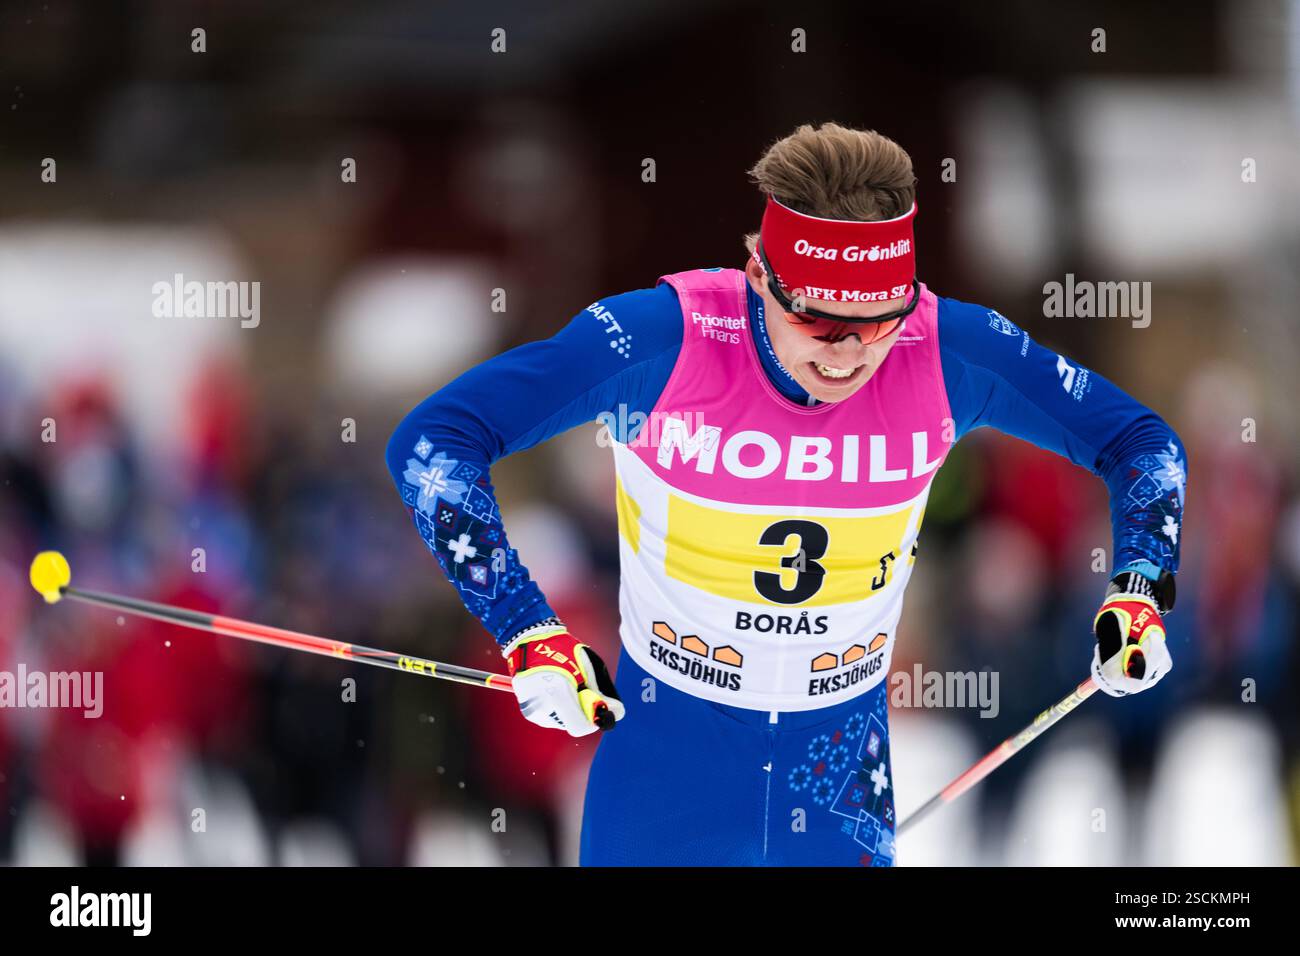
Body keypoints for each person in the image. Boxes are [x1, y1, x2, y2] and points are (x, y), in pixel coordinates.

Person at [385, 123, 1186, 866]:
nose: (847, 354)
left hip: (838, 775)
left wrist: (1139, 589)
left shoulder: (948, 352)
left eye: (876, 321)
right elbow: (432, 446)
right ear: (759, 274)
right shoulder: (668, 340)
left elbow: (1143, 446)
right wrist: (528, 628)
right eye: (818, 320)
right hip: (667, 766)